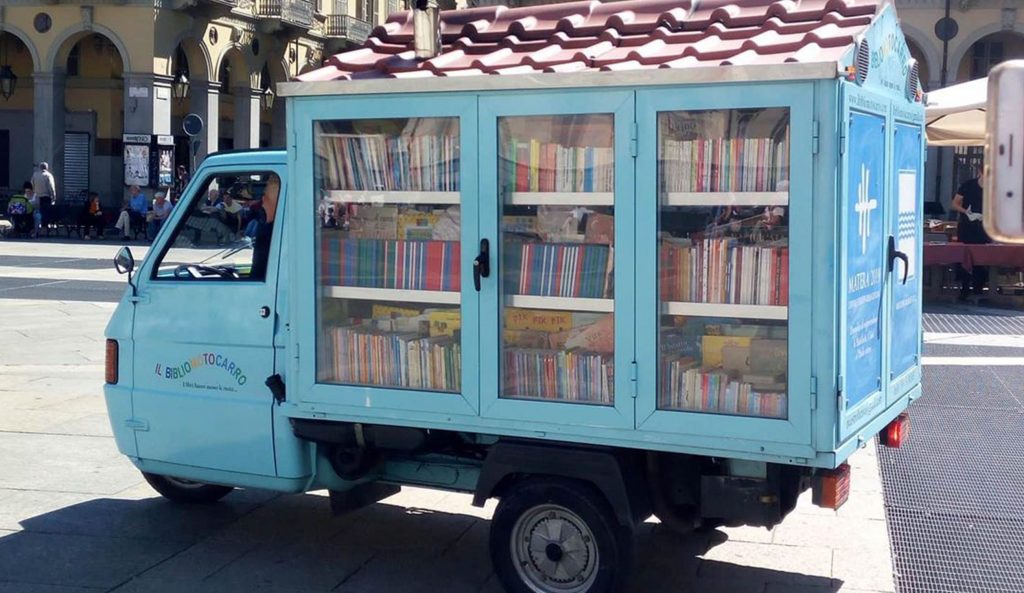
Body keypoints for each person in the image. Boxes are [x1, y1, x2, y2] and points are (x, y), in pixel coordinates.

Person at [950, 166, 991, 300]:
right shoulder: (967, 185)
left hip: (984, 227)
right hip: (967, 226)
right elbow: (954, 204)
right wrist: (966, 212)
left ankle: (978, 288)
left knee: (982, 257)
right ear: (980, 172)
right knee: (963, 255)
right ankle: (964, 287)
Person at [249, 173, 280, 280]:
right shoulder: (268, 228)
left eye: (265, 197)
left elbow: (258, 273)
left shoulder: (271, 233)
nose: (262, 202)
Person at [31, 162, 57, 231]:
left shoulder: (35, 175)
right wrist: (54, 196)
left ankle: (36, 225)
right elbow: (52, 187)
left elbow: (32, 185)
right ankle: (44, 227)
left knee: (37, 212)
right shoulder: (48, 175)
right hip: (46, 196)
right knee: (45, 212)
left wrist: (34, 193)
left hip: (37, 196)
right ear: (47, 168)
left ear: (40, 167)